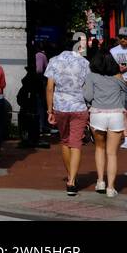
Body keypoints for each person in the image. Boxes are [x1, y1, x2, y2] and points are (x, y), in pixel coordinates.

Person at [45, 38, 91, 196]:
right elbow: (87, 86)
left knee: (65, 141)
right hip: (79, 105)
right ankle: (72, 181)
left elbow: (50, 87)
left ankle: (71, 176)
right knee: (76, 143)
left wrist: (49, 110)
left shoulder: (54, 61)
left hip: (60, 106)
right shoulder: (84, 63)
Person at [84, 43, 127, 197]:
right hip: (116, 115)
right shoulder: (119, 79)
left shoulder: (92, 76)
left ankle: (100, 181)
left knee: (99, 149)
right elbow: (124, 99)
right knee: (112, 153)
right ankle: (111, 188)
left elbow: (88, 96)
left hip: (98, 114)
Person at [109, 27, 127, 150]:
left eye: (125, 37)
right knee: (123, 112)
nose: (123, 39)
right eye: (121, 37)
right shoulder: (113, 51)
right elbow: (111, 68)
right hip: (121, 84)